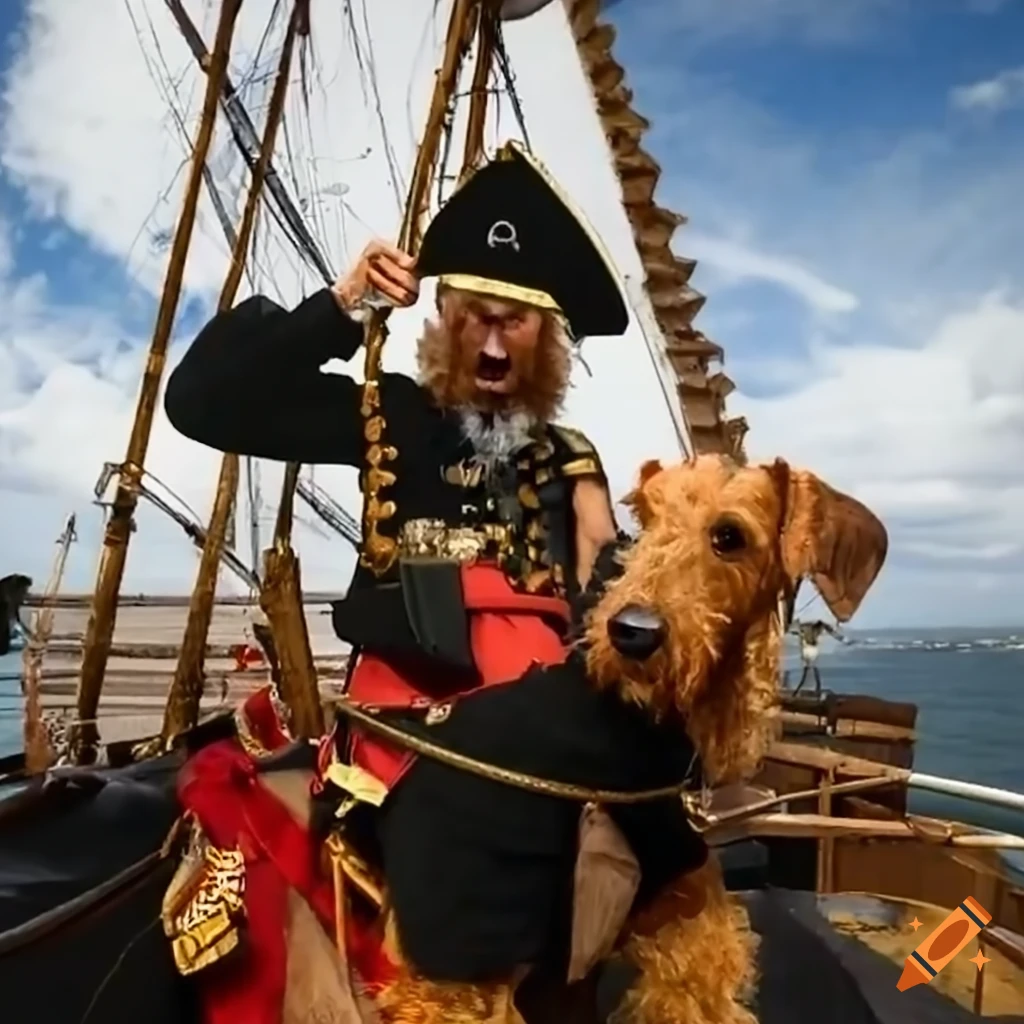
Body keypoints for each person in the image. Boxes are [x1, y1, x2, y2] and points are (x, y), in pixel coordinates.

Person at [162, 142, 705, 1019]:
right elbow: (201, 403)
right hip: (415, 721)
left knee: (666, 857)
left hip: (548, 721)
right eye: (474, 317)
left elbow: (606, 583)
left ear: (548, 338)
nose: (492, 344)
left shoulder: (571, 458)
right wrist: (341, 307)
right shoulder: (388, 414)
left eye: (516, 322)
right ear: (442, 316)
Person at [791, 618, 846, 695]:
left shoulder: (803, 626)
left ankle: (801, 690)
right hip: (811, 648)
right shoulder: (816, 626)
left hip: (807, 649)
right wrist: (839, 637)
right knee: (812, 669)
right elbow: (829, 630)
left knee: (808, 669)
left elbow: (793, 630)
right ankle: (815, 688)